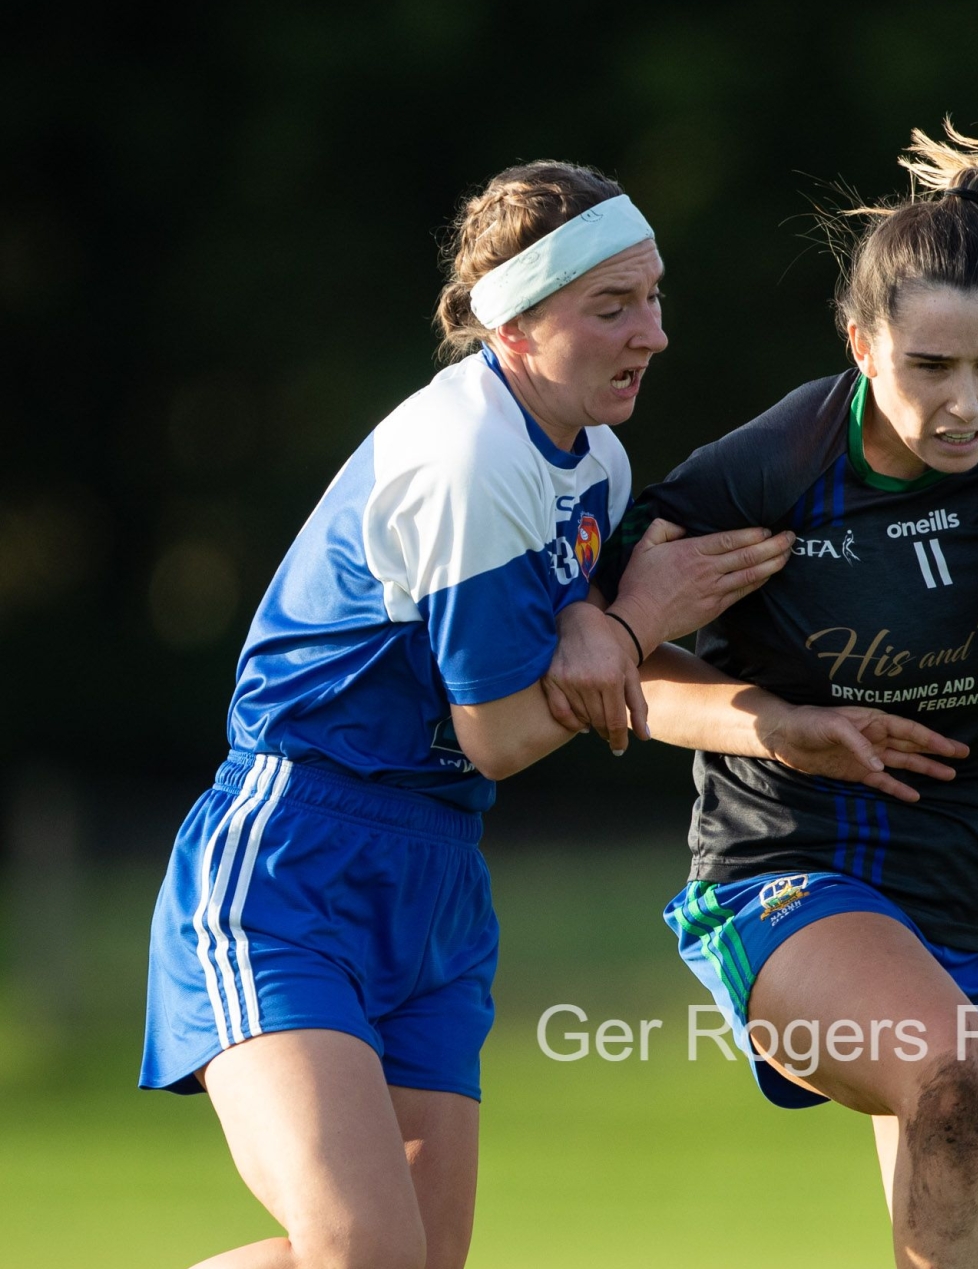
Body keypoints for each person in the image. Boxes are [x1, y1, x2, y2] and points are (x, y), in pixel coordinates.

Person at [548, 37, 978, 1269]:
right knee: (949, 1065)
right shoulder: (766, 470)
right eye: (931, 366)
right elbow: (614, 669)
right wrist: (782, 724)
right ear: (861, 343)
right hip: (792, 872)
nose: (967, 402)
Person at [139, 160, 798, 1269]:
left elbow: (595, 675)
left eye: (654, 296)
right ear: (518, 323)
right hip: (294, 855)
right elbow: (504, 729)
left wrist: (784, 725)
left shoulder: (594, 458)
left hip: (438, 868)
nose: (655, 332)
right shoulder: (469, 453)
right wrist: (632, 621)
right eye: (612, 306)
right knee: (361, 1249)